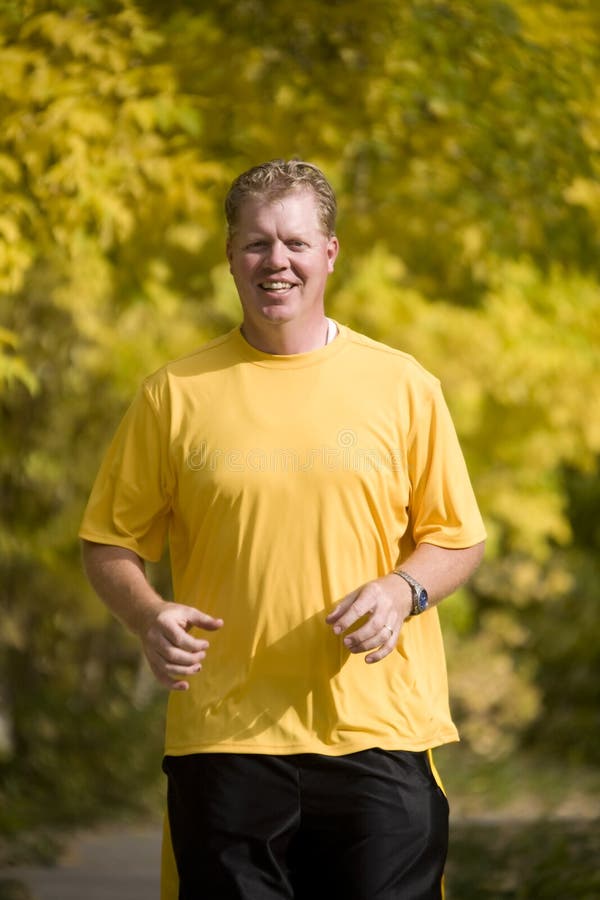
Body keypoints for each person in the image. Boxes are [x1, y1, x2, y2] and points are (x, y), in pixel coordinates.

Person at [80, 159, 486, 900]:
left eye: (296, 243)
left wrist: (402, 592)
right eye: (256, 243)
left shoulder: (403, 386)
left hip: (379, 733)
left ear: (330, 252)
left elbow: (457, 537)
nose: (277, 262)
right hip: (225, 742)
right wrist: (148, 614)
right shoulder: (174, 394)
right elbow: (109, 542)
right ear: (230, 255)